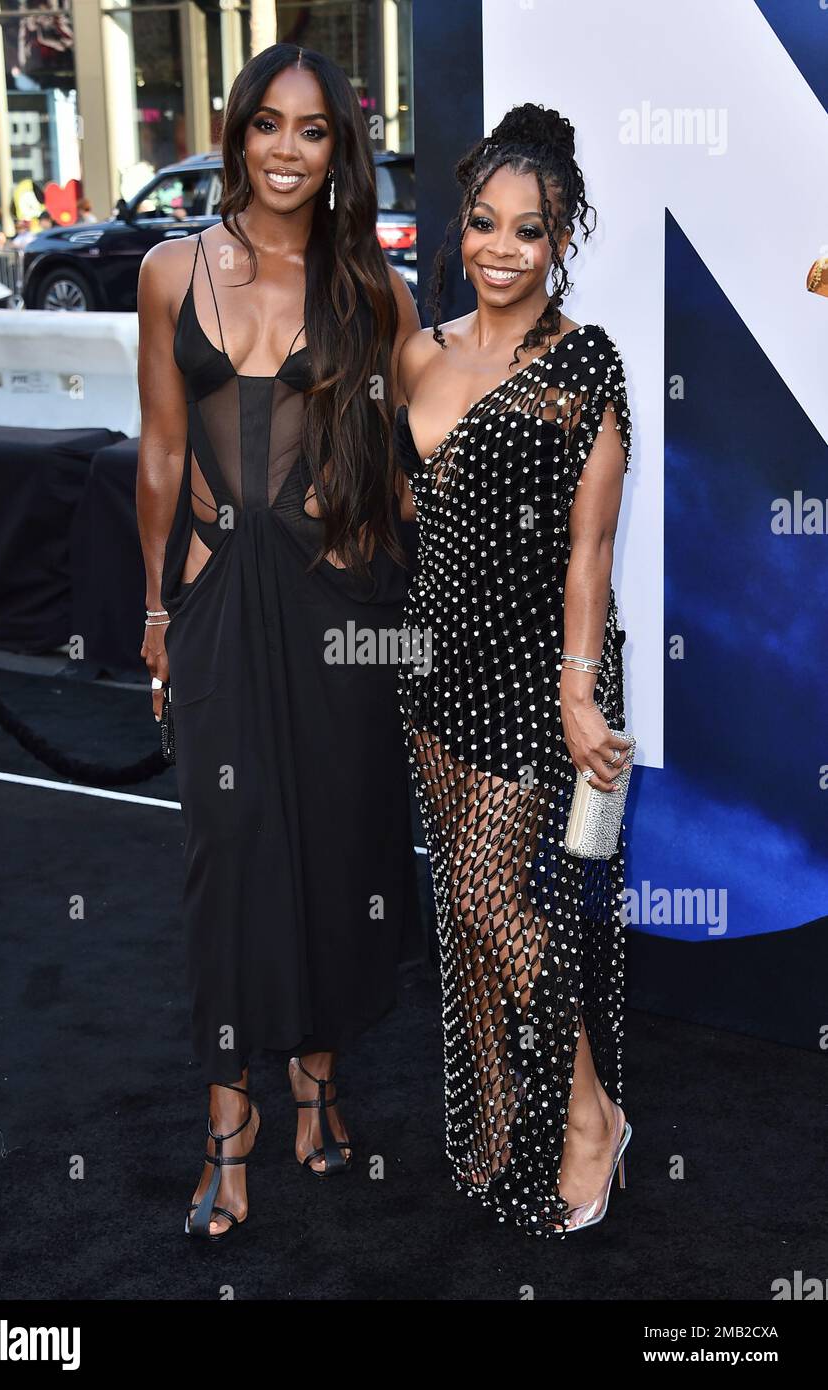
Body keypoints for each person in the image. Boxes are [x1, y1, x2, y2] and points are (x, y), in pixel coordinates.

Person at [136, 43, 422, 1240]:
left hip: (337, 614)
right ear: (234, 133)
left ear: (337, 147)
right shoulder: (165, 271)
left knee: (333, 840)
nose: (287, 152)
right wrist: (155, 608)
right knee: (228, 854)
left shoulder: (373, 289)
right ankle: (228, 1119)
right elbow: (156, 450)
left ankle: (314, 1084)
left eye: (312, 131)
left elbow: (405, 465)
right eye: (267, 126)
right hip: (213, 600)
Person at [395, 102, 634, 1236]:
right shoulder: (419, 348)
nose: (500, 248)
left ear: (560, 239)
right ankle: (497, 1116)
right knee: (462, 903)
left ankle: (590, 1114)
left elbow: (590, 545)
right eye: (483, 224)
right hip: (431, 667)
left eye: (527, 231)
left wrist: (579, 688)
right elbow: (412, 511)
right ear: (462, 226)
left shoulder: (579, 366)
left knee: (493, 897)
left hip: (529, 674)